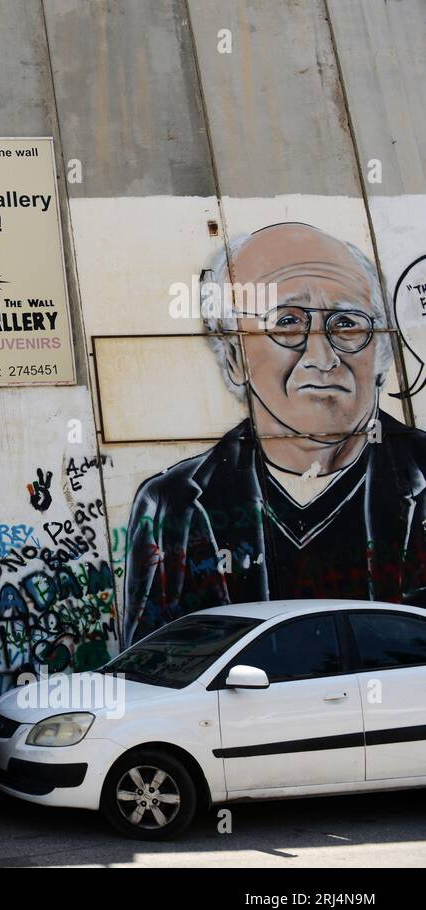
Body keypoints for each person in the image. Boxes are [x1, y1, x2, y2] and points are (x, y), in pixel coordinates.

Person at [123, 222, 426, 645]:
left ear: (380, 351)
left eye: (347, 325)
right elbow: (154, 668)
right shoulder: (173, 504)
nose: (322, 358)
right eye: (287, 323)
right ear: (234, 357)